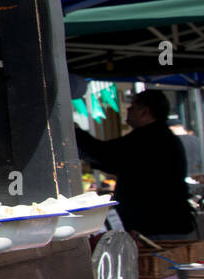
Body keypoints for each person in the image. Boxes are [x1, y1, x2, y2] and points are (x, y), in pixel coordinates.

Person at [74, 89, 193, 237]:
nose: (128, 111)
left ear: (145, 112)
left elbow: (105, 155)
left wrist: (75, 132)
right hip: (163, 223)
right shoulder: (161, 136)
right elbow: (110, 160)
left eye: (132, 107)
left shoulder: (149, 138)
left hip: (156, 226)